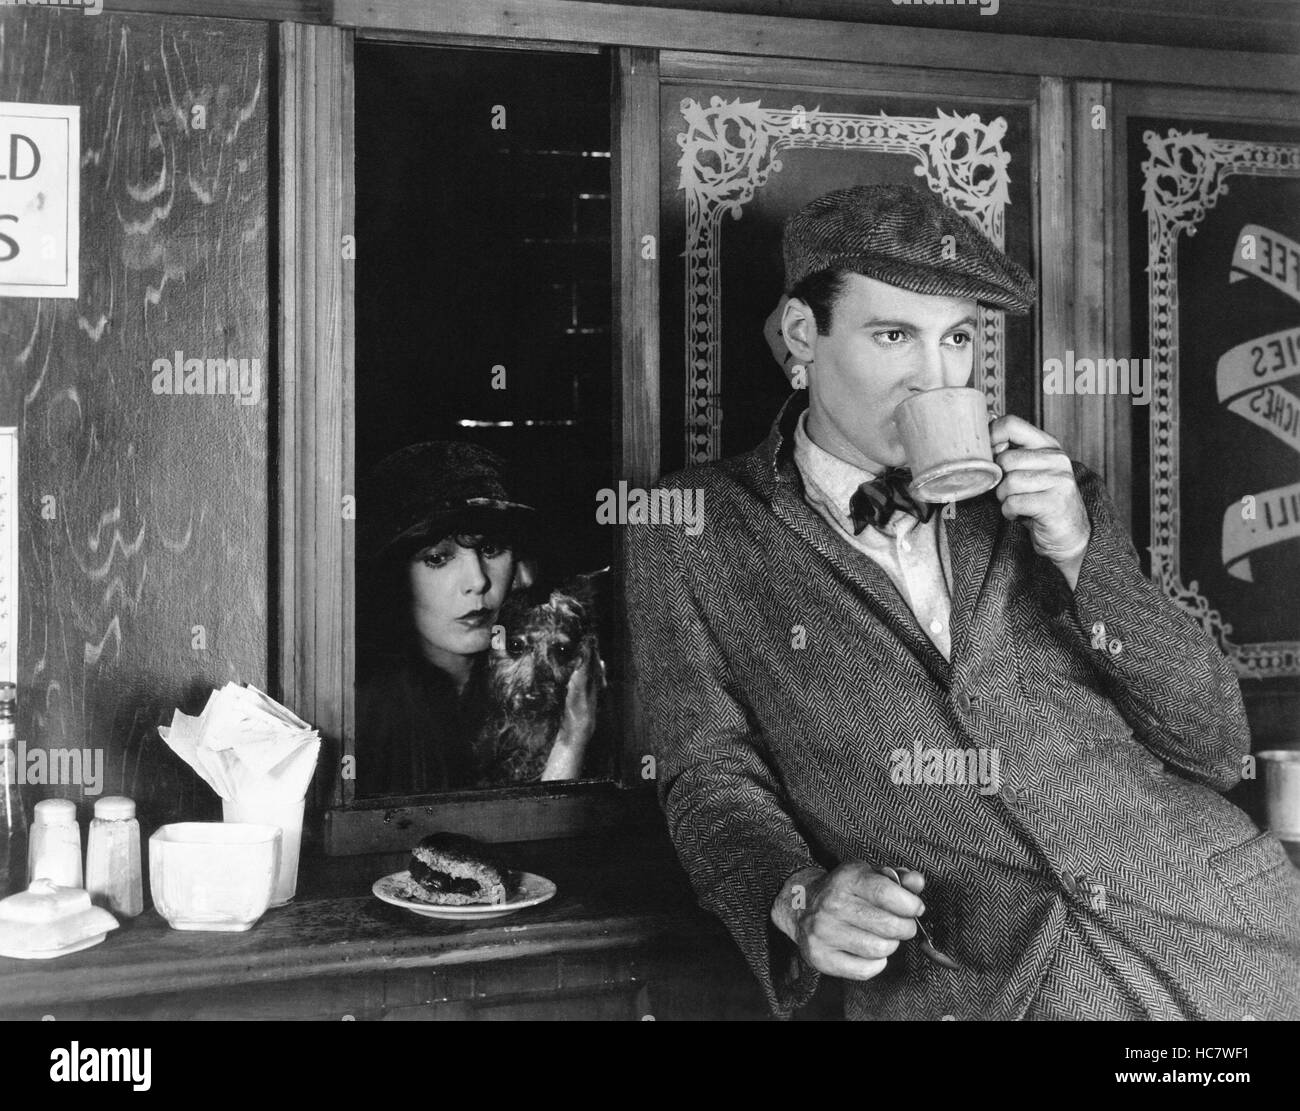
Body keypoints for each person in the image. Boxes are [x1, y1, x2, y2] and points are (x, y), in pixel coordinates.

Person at [625, 184, 1300, 1020]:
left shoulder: (1056, 496)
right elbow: (708, 780)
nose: (936, 377)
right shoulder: (692, 531)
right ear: (803, 335)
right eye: (894, 335)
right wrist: (796, 894)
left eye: (957, 340)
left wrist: (1082, 553)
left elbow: (1214, 743)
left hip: (1232, 943)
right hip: (985, 984)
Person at [356, 441, 600, 796]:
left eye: (491, 550)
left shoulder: (545, 681)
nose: (478, 581)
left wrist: (572, 740)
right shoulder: (368, 713)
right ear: (396, 579)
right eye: (438, 558)